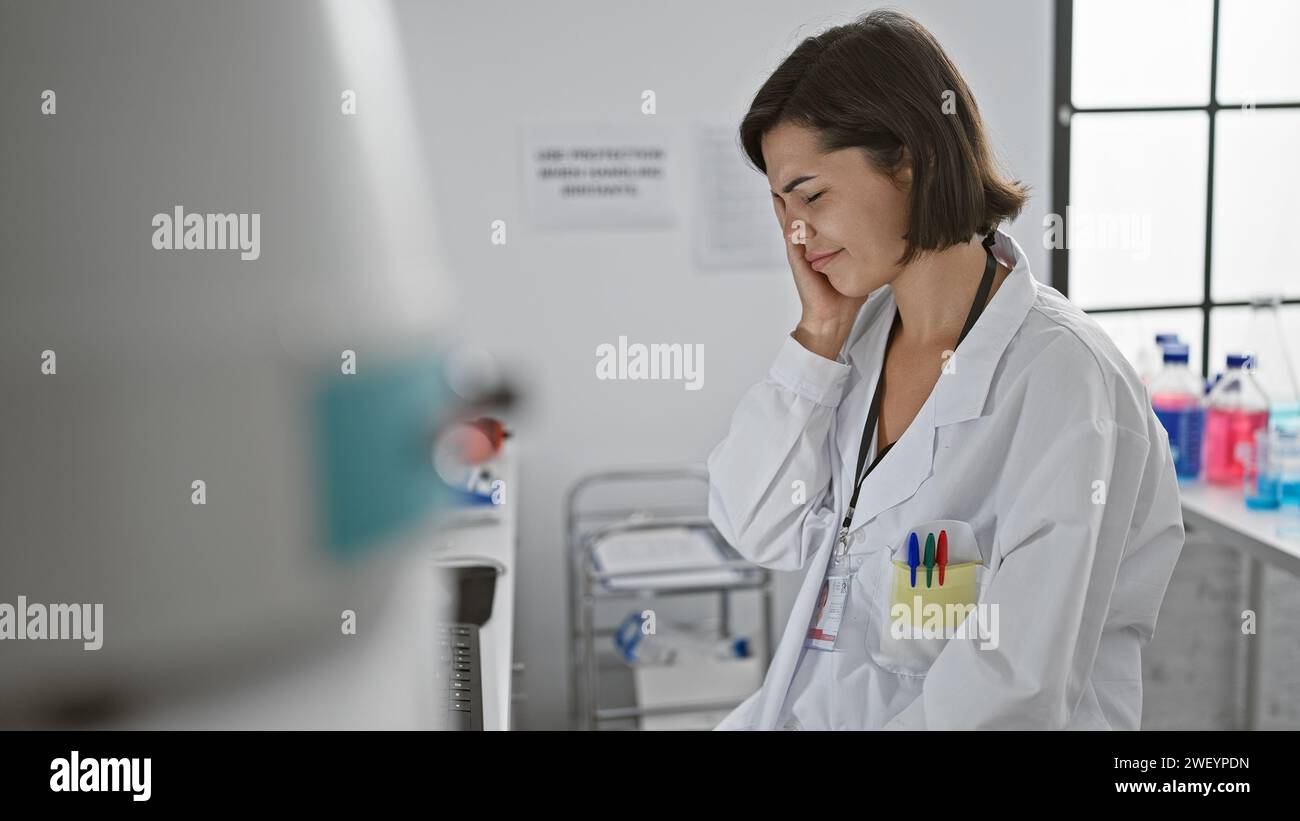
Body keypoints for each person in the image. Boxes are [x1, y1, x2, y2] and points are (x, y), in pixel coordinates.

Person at [707, 9, 1184, 730]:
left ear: (910, 159)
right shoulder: (861, 338)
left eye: (810, 196)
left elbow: (1013, 691)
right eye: (779, 206)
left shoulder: (1065, 383)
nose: (795, 234)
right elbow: (754, 526)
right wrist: (819, 333)